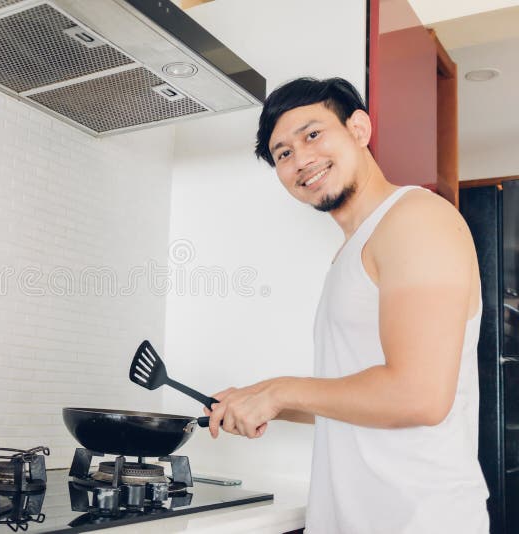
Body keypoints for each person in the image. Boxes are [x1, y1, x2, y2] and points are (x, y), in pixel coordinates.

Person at [205, 77, 489, 533]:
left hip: (418, 520)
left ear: (359, 128)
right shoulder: (357, 248)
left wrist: (279, 390)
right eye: (283, 154)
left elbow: (417, 396)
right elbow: (363, 398)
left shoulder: (415, 220)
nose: (301, 159)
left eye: (312, 134)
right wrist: (261, 399)